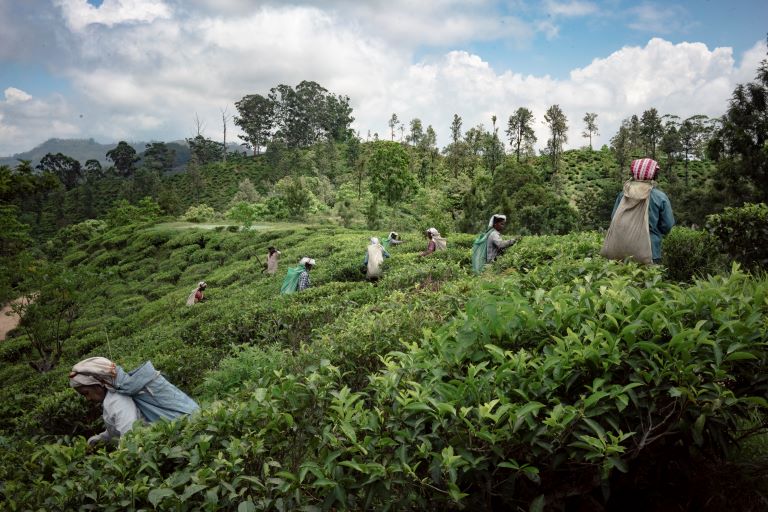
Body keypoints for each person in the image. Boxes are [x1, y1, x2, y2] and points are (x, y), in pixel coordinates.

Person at [69, 357, 199, 445]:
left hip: (179, 436)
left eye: (86, 393)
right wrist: (100, 438)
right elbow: (116, 426)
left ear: (98, 383)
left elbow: (129, 434)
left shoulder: (116, 400)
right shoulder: (114, 395)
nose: (88, 398)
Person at [601, 158, 675, 264]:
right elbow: (667, 225)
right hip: (650, 251)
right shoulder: (659, 197)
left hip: (618, 250)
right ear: (654, 175)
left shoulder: (623, 195)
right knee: (649, 279)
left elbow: (614, 218)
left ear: (634, 173)